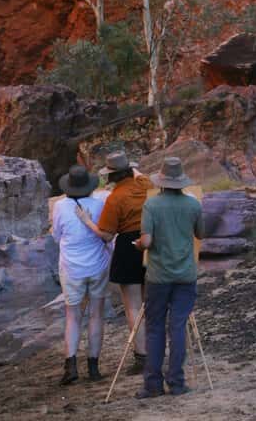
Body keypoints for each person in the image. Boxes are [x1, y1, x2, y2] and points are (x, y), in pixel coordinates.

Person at [133, 156, 204, 399]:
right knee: (178, 327)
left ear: (161, 181)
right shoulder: (193, 205)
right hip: (185, 274)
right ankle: (176, 382)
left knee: (155, 328)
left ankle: (153, 384)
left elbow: (147, 242)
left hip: (158, 276)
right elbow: (201, 233)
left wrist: (138, 245)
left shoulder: (152, 205)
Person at [78, 151, 151, 375]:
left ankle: (142, 356)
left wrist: (87, 221)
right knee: (149, 303)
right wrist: (129, 166)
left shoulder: (115, 198)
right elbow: (139, 174)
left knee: (133, 305)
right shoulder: (145, 185)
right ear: (130, 170)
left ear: (110, 176)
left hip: (128, 247)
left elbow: (107, 235)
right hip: (152, 244)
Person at [52, 165, 111, 385]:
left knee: (73, 316)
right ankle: (93, 367)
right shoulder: (99, 204)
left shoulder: (59, 206)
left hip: (71, 268)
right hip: (97, 265)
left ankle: (70, 366)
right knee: (96, 314)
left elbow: (56, 236)